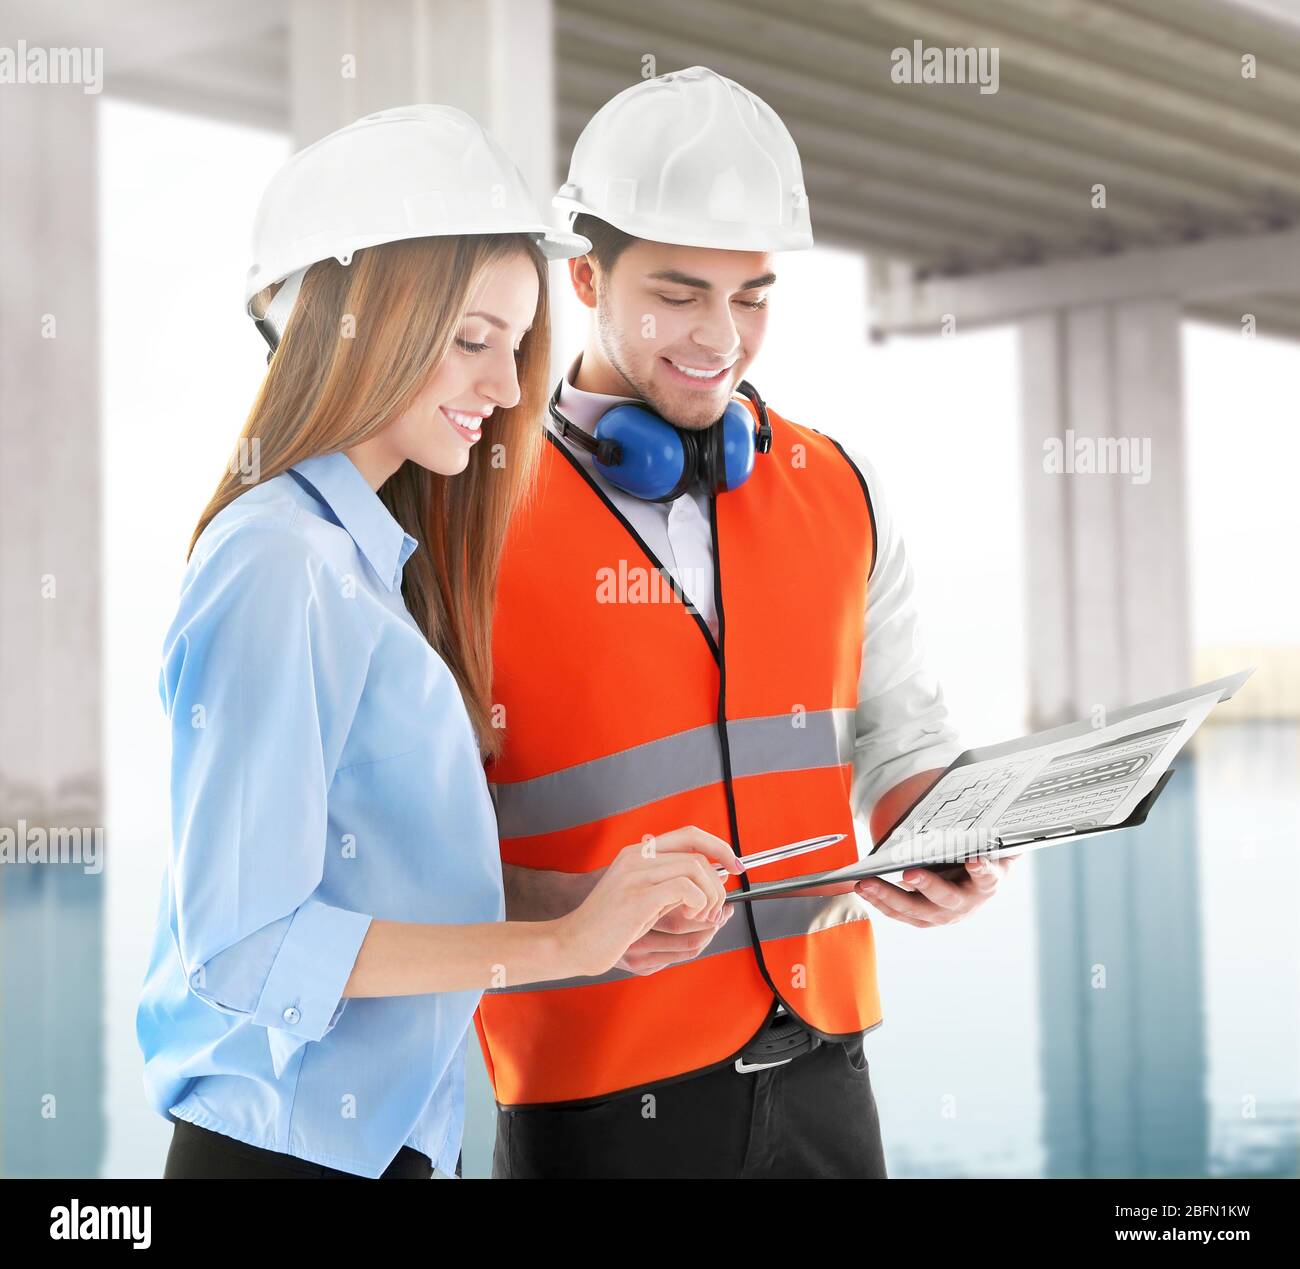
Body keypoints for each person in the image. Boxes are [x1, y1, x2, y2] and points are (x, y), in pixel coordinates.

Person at [135, 104, 738, 1181]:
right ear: (361, 325)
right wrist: (554, 946)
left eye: (513, 349)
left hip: (388, 1147)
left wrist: (591, 908)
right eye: (471, 343)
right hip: (283, 1157)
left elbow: (377, 890)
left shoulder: (370, 570)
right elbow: (242, 946)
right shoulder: (278, 562)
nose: (506, 391)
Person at [475, 67, 1015, 1179]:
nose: (720, 337)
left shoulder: (839, 488)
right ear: (584, 275)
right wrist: (578, 908)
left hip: (826, 1056)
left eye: (753, 295)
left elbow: (897, 727)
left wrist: (934, 828)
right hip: (595, 1083)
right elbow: (398, 845)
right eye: (677, 294)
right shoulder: (466, 509)